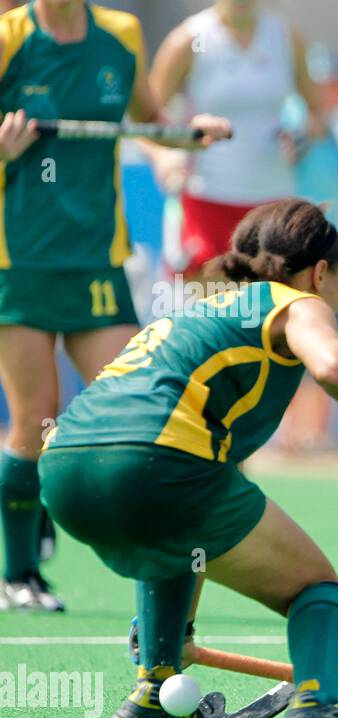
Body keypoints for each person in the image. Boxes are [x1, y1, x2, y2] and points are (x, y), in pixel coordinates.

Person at [39, 199, 338, 718]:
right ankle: (316, 706)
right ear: (318, 273)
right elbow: (334, 367)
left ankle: (154, 688)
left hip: (66, 468)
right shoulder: (299, 302)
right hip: (157, 464)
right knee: (320, 592)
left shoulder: (201, 309)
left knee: (178, 547)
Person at [0, 0, 228, 612]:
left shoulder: (121, 35)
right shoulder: (8, 38)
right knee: (35, 417)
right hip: (17, 261)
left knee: (133, 404)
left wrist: (180, 140)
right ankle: (17, 573)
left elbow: (147, 119)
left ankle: (64, 510)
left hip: (97, 256)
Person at [148, 0, 324, 278]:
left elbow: (318, 113)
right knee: (208, 313)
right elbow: (146, 119)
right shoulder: (188, 40)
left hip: (273, 209)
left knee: (268, 314)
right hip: (205, 202)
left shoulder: (286, 37)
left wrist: (302, 136)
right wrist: (165, 158)